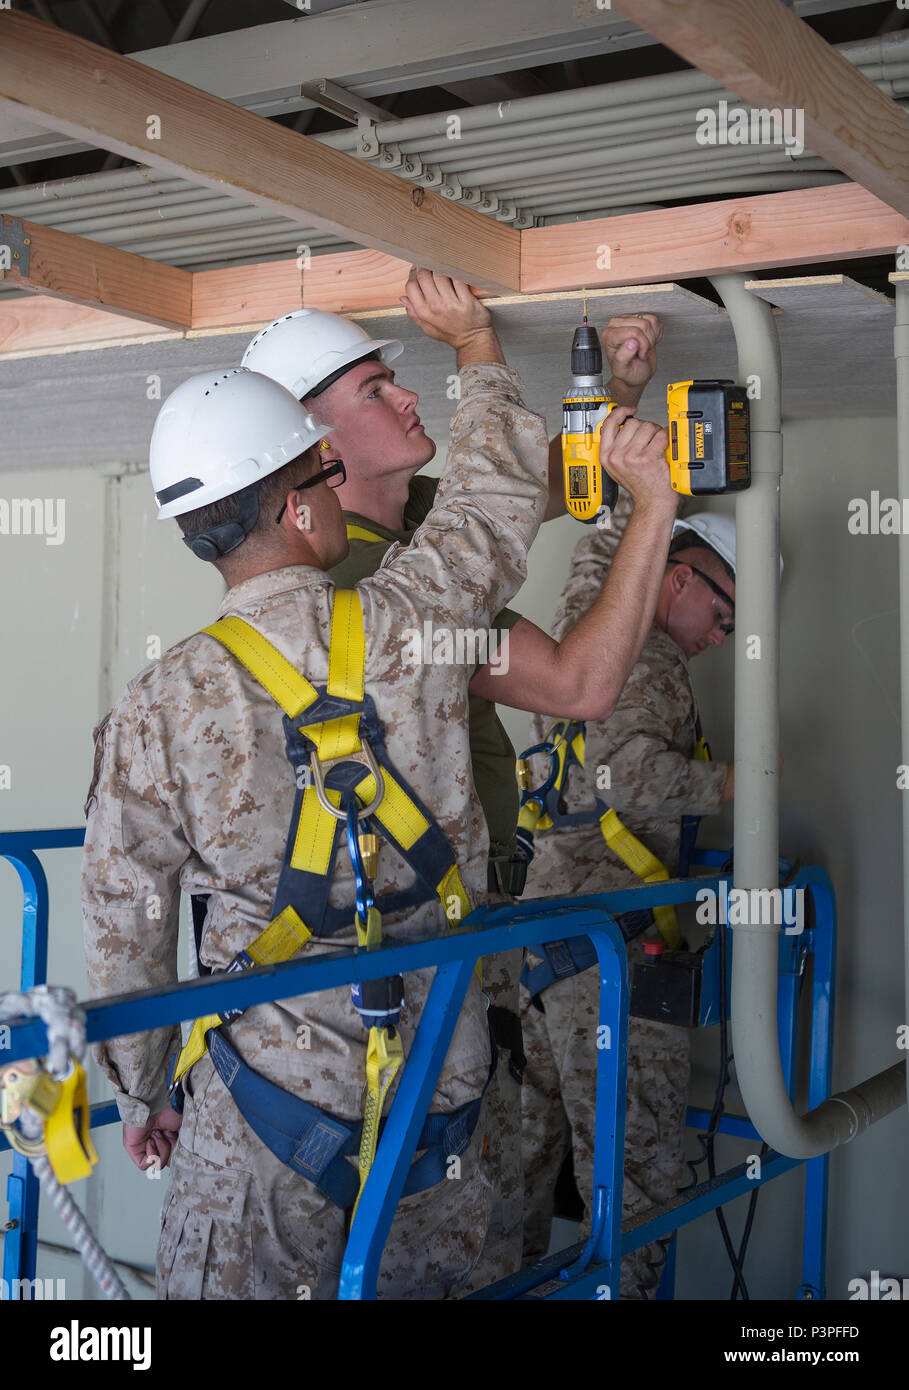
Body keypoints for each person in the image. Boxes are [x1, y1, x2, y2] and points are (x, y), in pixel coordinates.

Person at [81, 271, 678, 1300]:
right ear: (304, 502)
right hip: (436, 1087)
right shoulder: (412, 621)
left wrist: (143, 1090)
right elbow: (495, 502)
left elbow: (122, 931)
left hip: (261, 1110)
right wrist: (479, 352)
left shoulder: (156, 703)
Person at [242, 281, 665, 1279]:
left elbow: (534, 483)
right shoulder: (380, 597)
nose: (407, 396)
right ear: (316, 436)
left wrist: (622, 401)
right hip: (424, 931)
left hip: (466, 909)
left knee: (484, 1181)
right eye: (377, 384)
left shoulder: (423, 513)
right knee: (445, 1201)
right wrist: (659, 508)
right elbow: (581, 684)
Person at [519, 499, 736, 1299]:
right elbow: (627, 774)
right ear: (677, 578)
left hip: (544, 941)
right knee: (630, 1180)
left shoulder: (592, 622)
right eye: (721, 612)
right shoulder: (648, 661)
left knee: (518, 1171)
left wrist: (650, 482)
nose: (721, 635)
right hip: (613, 951)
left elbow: (595, 552)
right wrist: (737, 784)